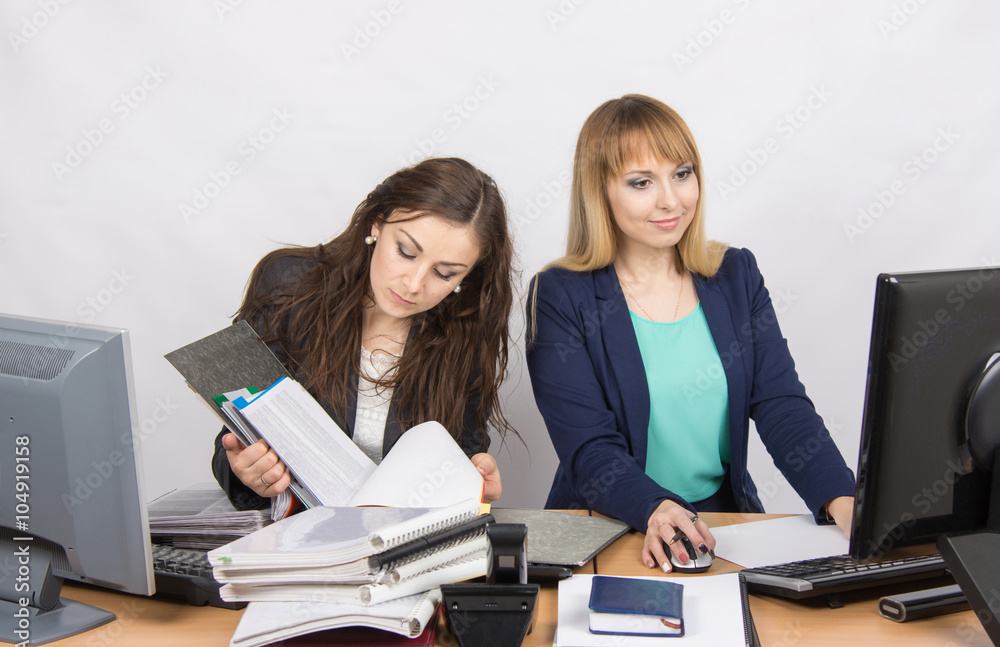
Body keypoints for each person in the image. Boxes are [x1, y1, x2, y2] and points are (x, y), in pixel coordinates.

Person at [526, 94, 856, 572]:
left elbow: (781, 404)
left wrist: (842, 498)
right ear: (599, 192)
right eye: (641, 182)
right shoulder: (560, 294)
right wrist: (657, 508)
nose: (671, 199)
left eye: (682, 174)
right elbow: (590, 449)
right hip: (608, 526)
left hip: (720, 524)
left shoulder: (735, 274)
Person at [213, 157, 515, 510]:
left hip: (400, 540)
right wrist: (247, 472)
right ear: (377, 223)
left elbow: (460, 459)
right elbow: (230, 445)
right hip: (295, 534)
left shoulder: (466, 331)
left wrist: (472, 482)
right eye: (406, 252)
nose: (414, 284)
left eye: (445, 273)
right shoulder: (286, 284)